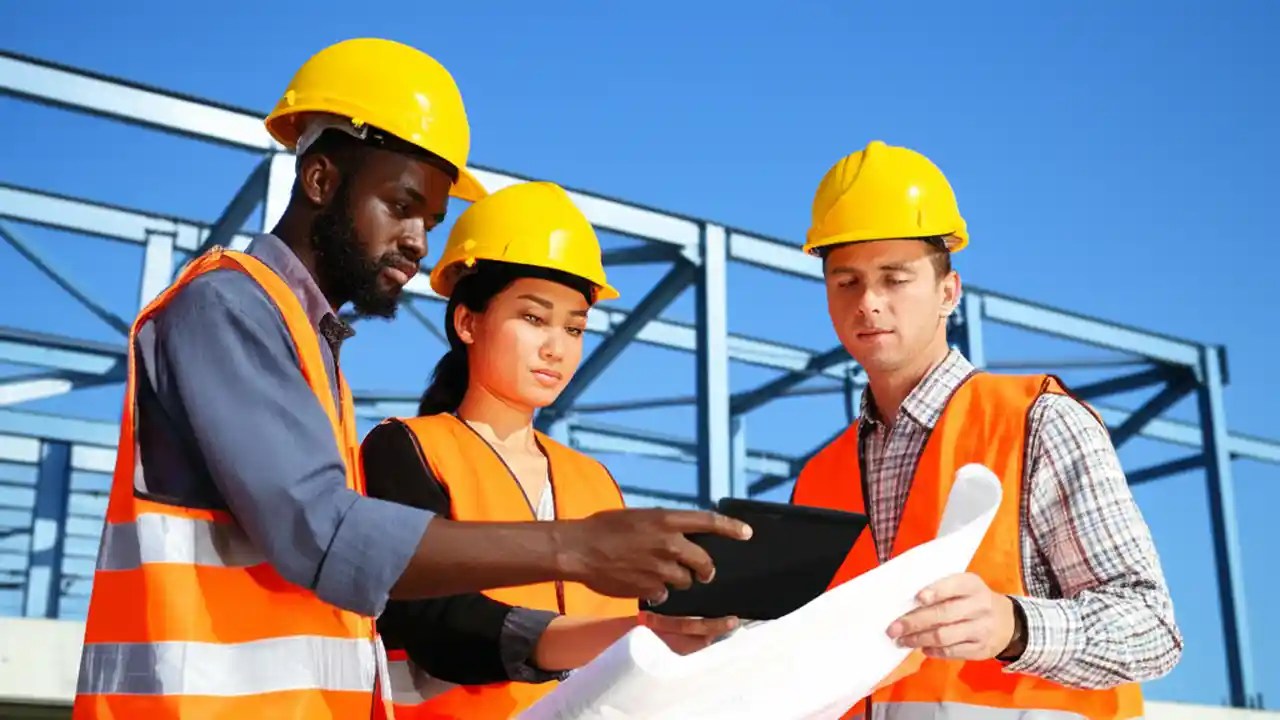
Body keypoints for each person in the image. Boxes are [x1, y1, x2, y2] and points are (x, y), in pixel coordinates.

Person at [71, 38, 749, 720]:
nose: (419, 242)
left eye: (429, 221)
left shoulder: (308, 342)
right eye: (400, 206)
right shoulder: (227, 305)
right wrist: (577, 547)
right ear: (321, 181)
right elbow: (323, 534)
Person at [789, 140, 1182, 719]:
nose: (869, 303)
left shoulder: (1039, 424)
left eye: (895, 279)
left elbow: (1152, 629)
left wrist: (1014, 625)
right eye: (846, 282)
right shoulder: (820, 478)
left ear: (948, 292)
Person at [361, 180, 739, 719]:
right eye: (533, 318)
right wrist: (631, 635)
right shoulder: (406, 449)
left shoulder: (594, 481)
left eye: (575, 327)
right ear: (468, 321)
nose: (555, 347)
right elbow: (432, 622)